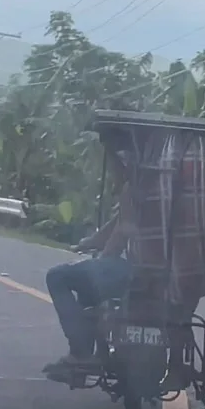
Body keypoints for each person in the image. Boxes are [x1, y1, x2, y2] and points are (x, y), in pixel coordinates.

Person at [45, 155, 135, 368]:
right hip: (163, 272)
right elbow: (115, 225)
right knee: (89, 277)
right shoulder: (164, 187)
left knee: (56, 277)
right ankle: (96, 349)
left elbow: (121, 232)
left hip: (130, 269)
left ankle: (80, 351)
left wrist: (102, 260)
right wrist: (88, 243)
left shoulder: (133, 188)